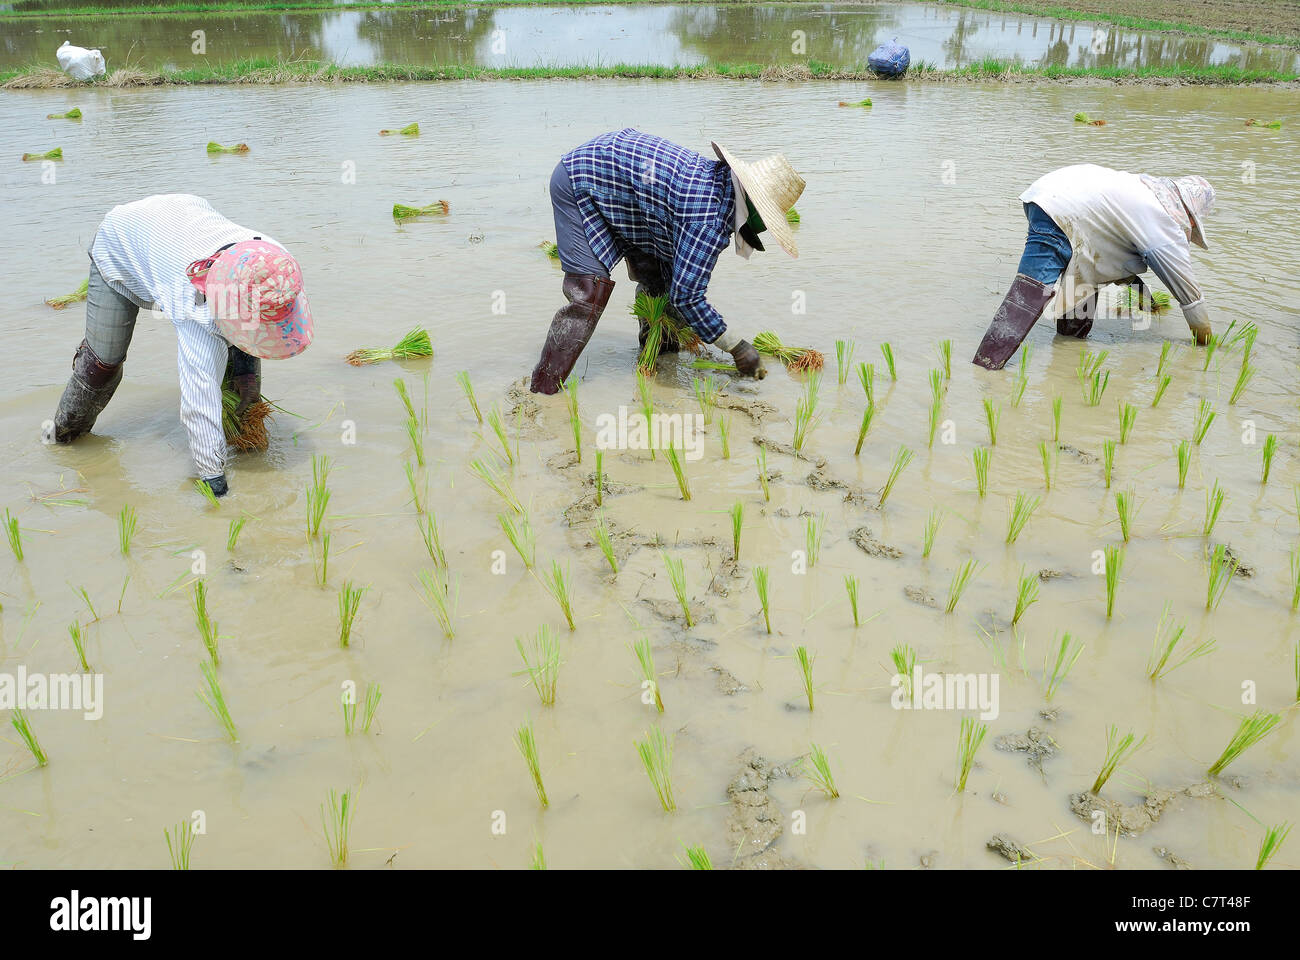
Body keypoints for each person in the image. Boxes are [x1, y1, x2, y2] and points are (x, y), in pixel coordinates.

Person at [52, 194, 314, 496]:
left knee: (243, 347)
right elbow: (198, 399)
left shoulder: (276, 265)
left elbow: (259, 318)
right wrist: (214, 481)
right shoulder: (194, 303)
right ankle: (62, 439)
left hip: (180, 225)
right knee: (103, 363)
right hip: (121, 244)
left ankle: (246, 441)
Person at [529, 128, 805, 394]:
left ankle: (657, 364)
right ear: (756, 214)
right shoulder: (707, 218)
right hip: (580, 178)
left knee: (661, 280)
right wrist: (737, 347)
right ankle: (544, 390)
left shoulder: (720, 186)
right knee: (588, 293)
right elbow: (688, 297)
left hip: (627, 189)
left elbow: (679, 284)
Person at [972, 164, 1215, 370]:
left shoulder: (1141, 193)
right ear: (1190, 216)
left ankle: (1067, 349)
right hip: (1059, 208)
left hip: (1049, 193)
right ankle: (987, 365)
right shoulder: (1162, 222)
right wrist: (1206, 342)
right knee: (1032, 290)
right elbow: (1190, 296)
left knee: (1087, 273)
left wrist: (1142, 295)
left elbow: (1112, 258)